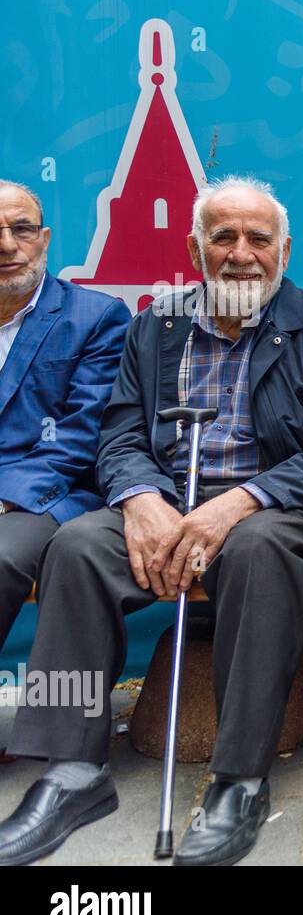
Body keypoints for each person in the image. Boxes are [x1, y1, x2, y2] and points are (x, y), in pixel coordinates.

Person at [0, 176, 303, 865]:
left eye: (257, 238)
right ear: (195, 245)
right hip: (168, 503)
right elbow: (116, 434)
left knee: (258, 550)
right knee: (79, 545)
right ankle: (71, 766)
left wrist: (240, 501)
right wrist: (141, 497)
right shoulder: (156, 326)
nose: (239, 252)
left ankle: (238, 777)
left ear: (283, 251)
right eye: (222, 236)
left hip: (273, 508)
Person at [0, 180, 129, 657]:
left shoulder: (94, 318)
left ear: (45, 238)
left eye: (22, 229)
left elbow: (81, 435)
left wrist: (4, 501)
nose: (7, 245)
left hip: (46, 496)